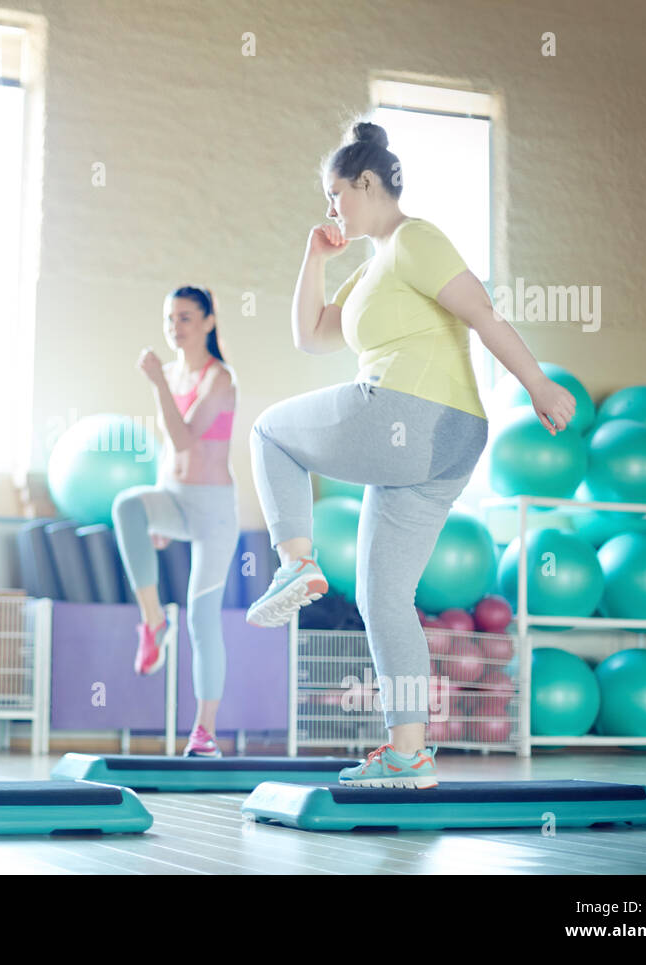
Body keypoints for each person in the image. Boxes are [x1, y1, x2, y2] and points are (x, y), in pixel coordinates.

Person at [246, 121, 575, 787]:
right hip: (443, 445)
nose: (331, 210)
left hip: (412, 412)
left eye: (335, 195)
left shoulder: (414, 240)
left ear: (368, 184)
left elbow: (483, 312)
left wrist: (538, 384)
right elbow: (311, 335)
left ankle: (295, 563)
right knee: (384, 595)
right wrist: (315, 256)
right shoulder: (373, 268)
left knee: (268, 432)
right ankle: (410, 753)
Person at [111, 287, 241, 757]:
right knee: (127, 505)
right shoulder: (170, 373)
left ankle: (204, 731)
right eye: (170, 318)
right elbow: (170, 453)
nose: (175, 327)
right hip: (175, 495)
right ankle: (152, 622)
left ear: (208, 321)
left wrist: (157, 385)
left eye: (185, 318)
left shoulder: (219, 378)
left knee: (203, 620)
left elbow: (185, 438)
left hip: (213, 512)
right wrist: (156, 511)